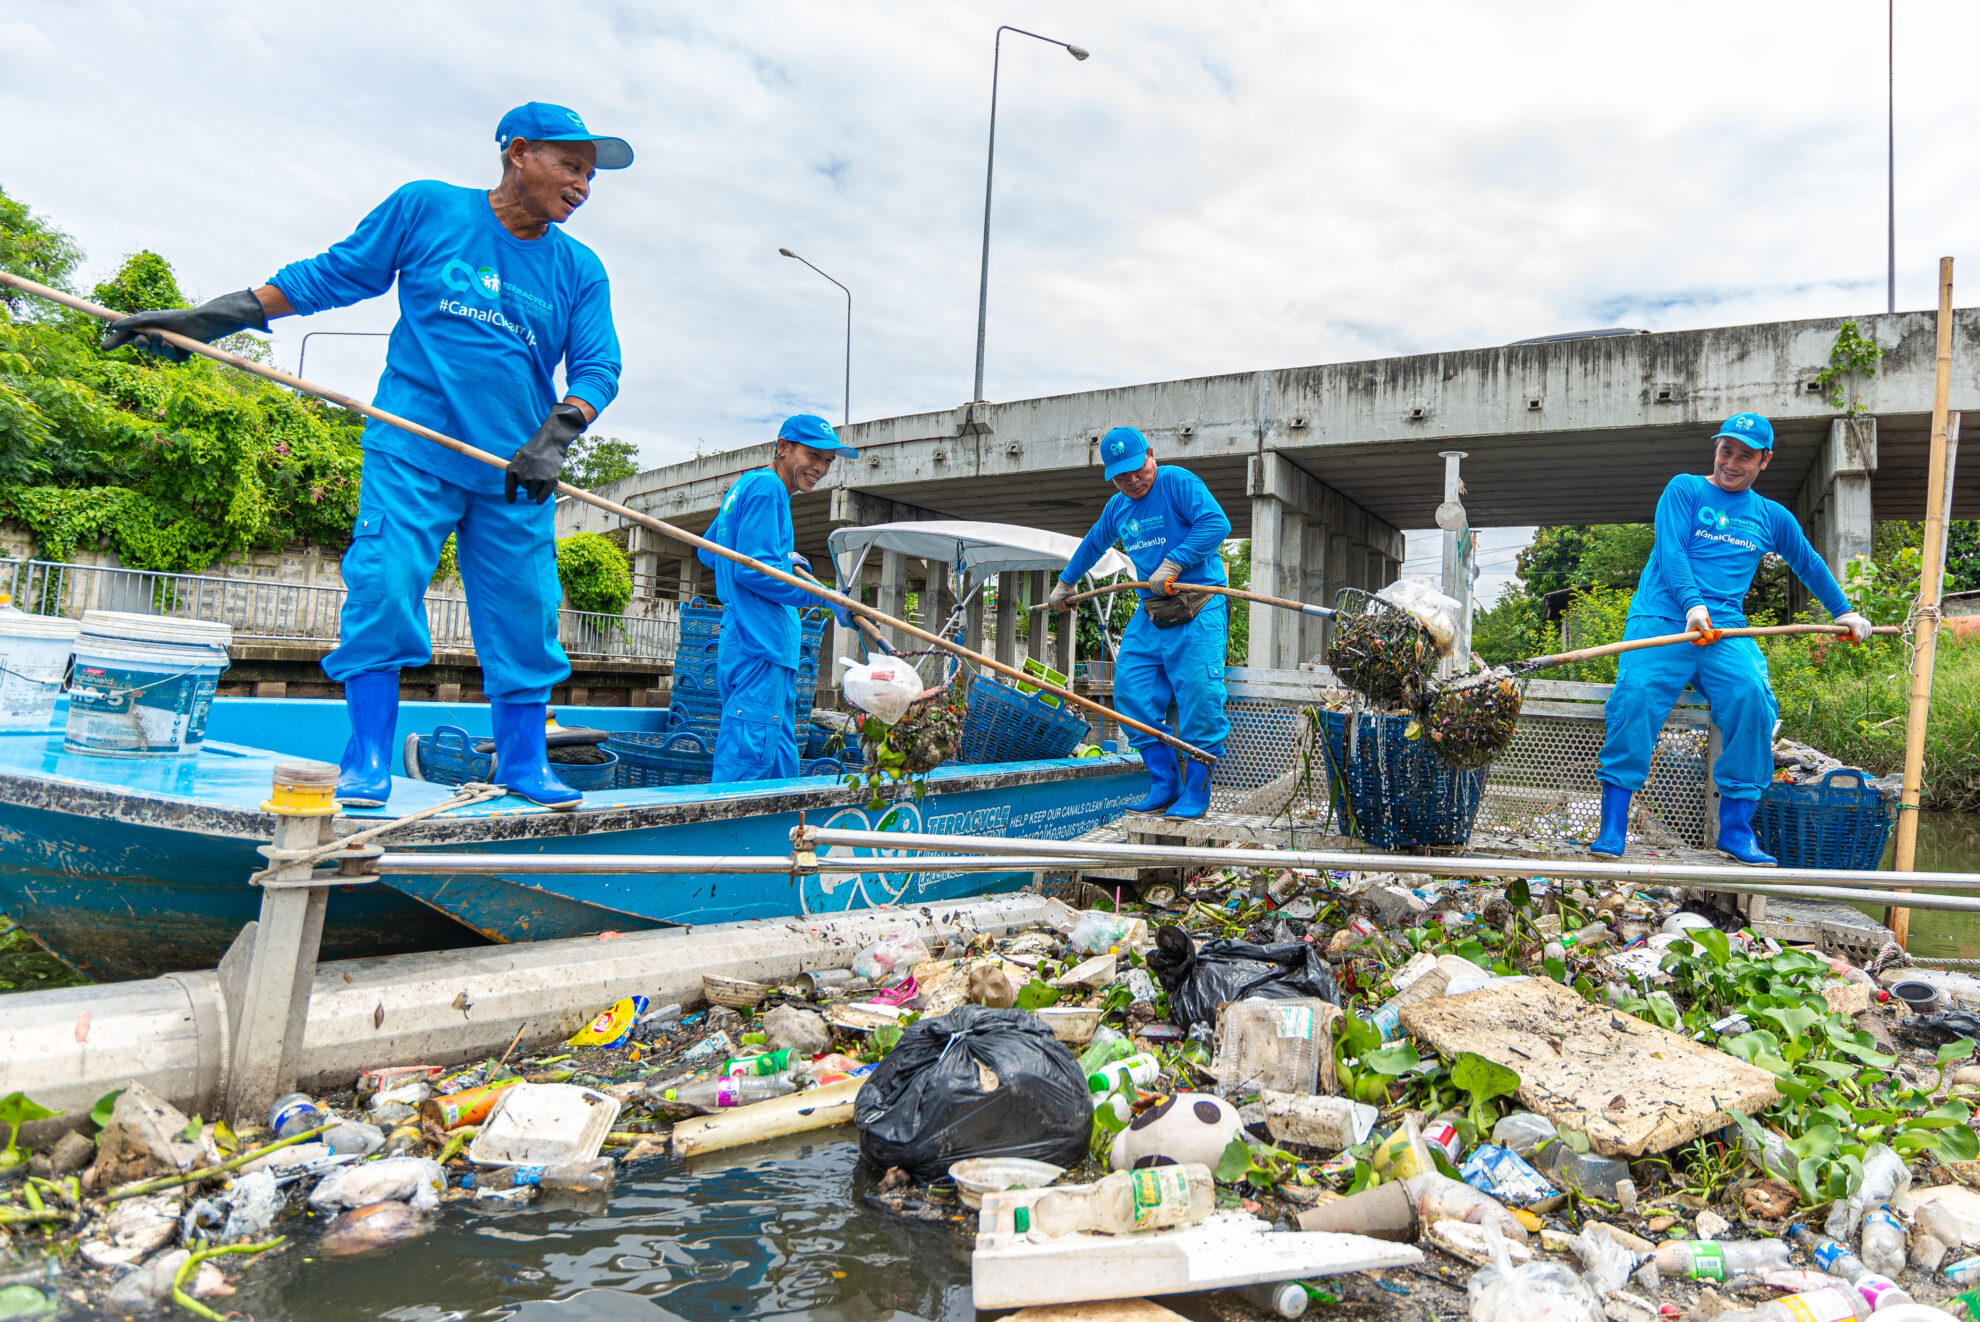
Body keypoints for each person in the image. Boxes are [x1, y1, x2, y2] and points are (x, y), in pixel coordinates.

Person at [99, 103, 632, 812]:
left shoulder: (578, 268)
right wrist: (214, 318)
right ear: (519, 152)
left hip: (515, 473)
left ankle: (524, 763)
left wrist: (556, 435)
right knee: (383, 591)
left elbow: (599, 367)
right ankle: (369, 757)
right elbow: (334, 275)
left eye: (591, 177)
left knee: (527, 614)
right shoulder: (428, 208)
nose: (583, 187)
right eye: (572, 167)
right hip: (413, 450)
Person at [1593, 412, 1873, 864]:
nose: (1732, 462)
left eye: (1746, 455)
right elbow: (1671, 550)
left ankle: (1737, 833)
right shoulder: (1683, 489)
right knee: (1637, 698)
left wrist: (1845, 611)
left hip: (1725, 625)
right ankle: (1612, 829)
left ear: (1765, 461)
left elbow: (1808, 562)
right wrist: (1691, 603)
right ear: (1716, 449)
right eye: (1727, 451)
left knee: (1751, 698)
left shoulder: (1770, 516)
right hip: (1663, 617)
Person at [1049, 426, 1231, 819]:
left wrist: (1174, 561)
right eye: (1120, 475)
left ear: (1151, 455)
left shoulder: (1177, 482)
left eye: (1137, 469)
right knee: (1131, 693)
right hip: (1152, 610)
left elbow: (1217, 524)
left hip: (1199, 605)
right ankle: (1165, 783)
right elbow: (1094, 543)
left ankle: (1197, 792)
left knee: (1200, 697)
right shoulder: (1117, 507)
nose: (1131, 480)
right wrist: (1066, 582)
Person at [699, 415, 858, 783]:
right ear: (782, 447)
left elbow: (711, 552)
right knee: (748, 764)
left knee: (780, 767)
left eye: (829, 461)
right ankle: (729, 839)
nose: (820, 468)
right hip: (761, 646)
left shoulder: (747, 486)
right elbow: (753, 571)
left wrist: (780, 559)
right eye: (813, 455)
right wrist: (821, 596)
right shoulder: (769, 489)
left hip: (755, 644)